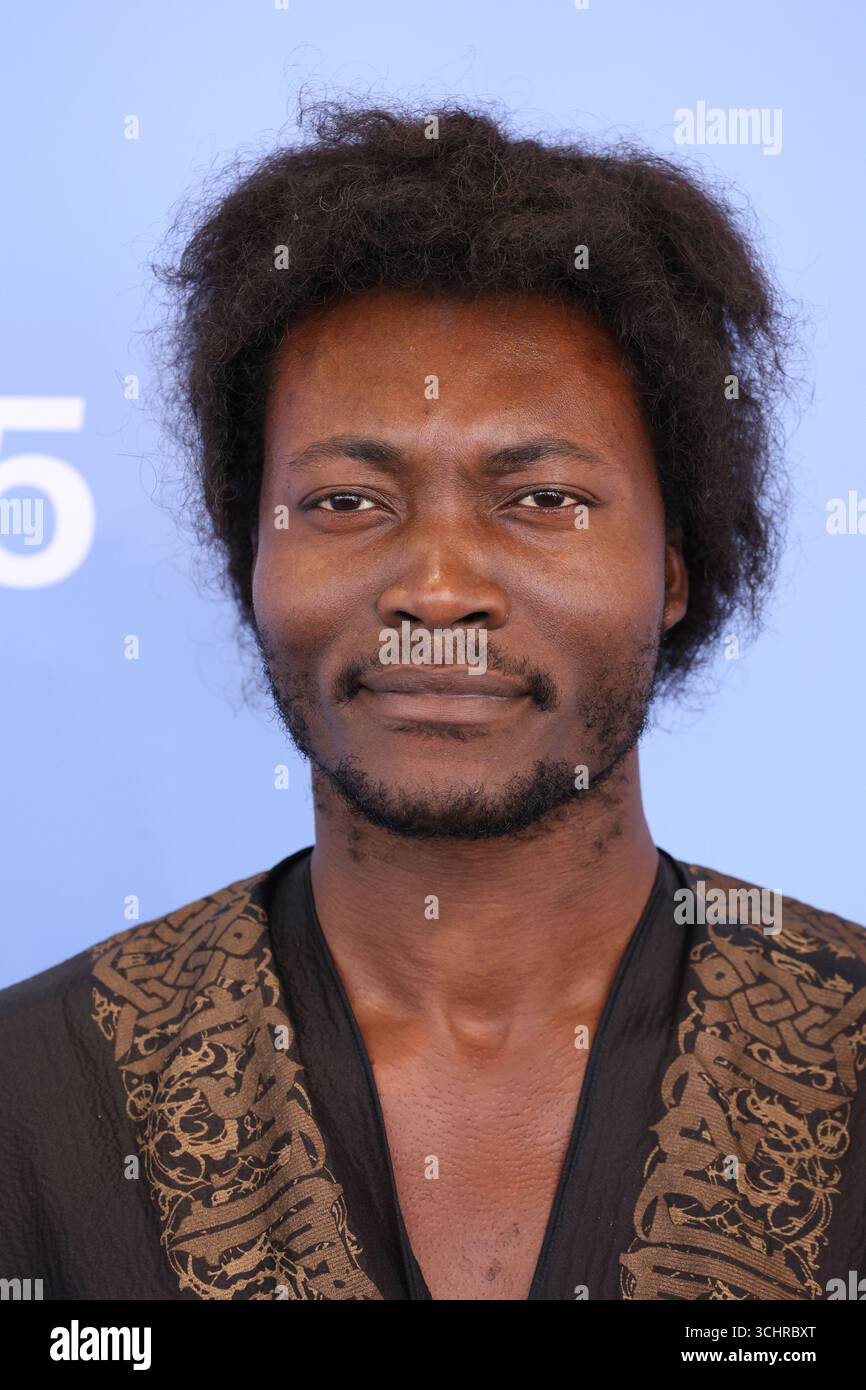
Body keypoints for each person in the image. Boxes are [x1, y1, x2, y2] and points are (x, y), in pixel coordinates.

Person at [2, 101, 864, 1303]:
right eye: (348, 501)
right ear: (247, 549)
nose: (437, 589)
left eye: (542, 498)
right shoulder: (37, 1099)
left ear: (676, 565)